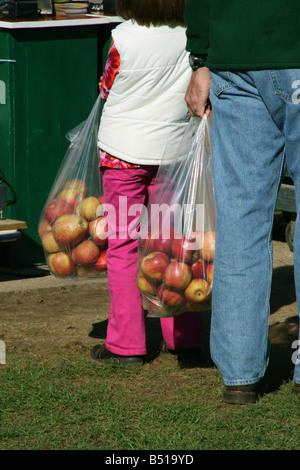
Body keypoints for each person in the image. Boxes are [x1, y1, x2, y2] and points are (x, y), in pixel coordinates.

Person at [184, 0, 300, 403]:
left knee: (240, 215)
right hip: (290, 44)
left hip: (232, 55)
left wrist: (199, 58)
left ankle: (240, 375)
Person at [90, 0, 204, 365]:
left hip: (122, 155)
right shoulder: (193, 37)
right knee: (173, 246)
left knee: (123, 245)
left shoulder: (121, 37)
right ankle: (183, 337)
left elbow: (106, 89)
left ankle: (126, 345)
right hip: (174, 154)